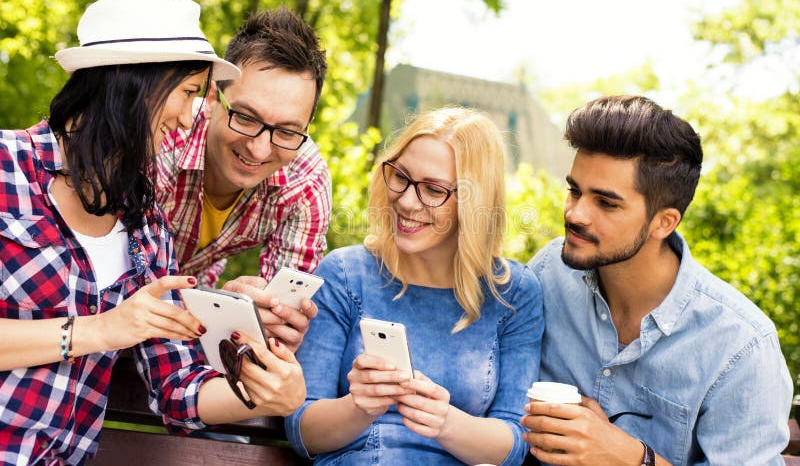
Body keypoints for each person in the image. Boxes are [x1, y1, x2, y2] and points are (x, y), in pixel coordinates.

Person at [0, 0, 305, 466]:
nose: (190, 118)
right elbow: (106, 332)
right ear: (133, 81)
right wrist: (100, 330)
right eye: (187, 93)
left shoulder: (146, 229)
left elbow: (177, 387)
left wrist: (260, 391)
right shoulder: (6, 169)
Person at [522, 95, 793, 465]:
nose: (575, 213)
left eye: (606, 203)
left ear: (664, 222)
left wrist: (632, 458)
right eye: (574, 190)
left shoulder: (740, 347)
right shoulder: (549, 271)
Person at [285, 107, 545, 465]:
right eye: (401, 177)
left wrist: (445, 423)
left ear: (473, 202)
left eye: (433, 190)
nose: (407, 201)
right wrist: (359, 407)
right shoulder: (346, 274)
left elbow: (515, 445)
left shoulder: (512, 293)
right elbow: (303, 432)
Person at [155, 8, 330, 350]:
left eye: (287, 131)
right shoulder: (163, 144)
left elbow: (278, 323)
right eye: (246, 118)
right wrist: (219, 304)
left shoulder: (305, 182)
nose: (260, 149)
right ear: (210, 98)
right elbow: (112, 289)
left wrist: (274, 321)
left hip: (186, 330)